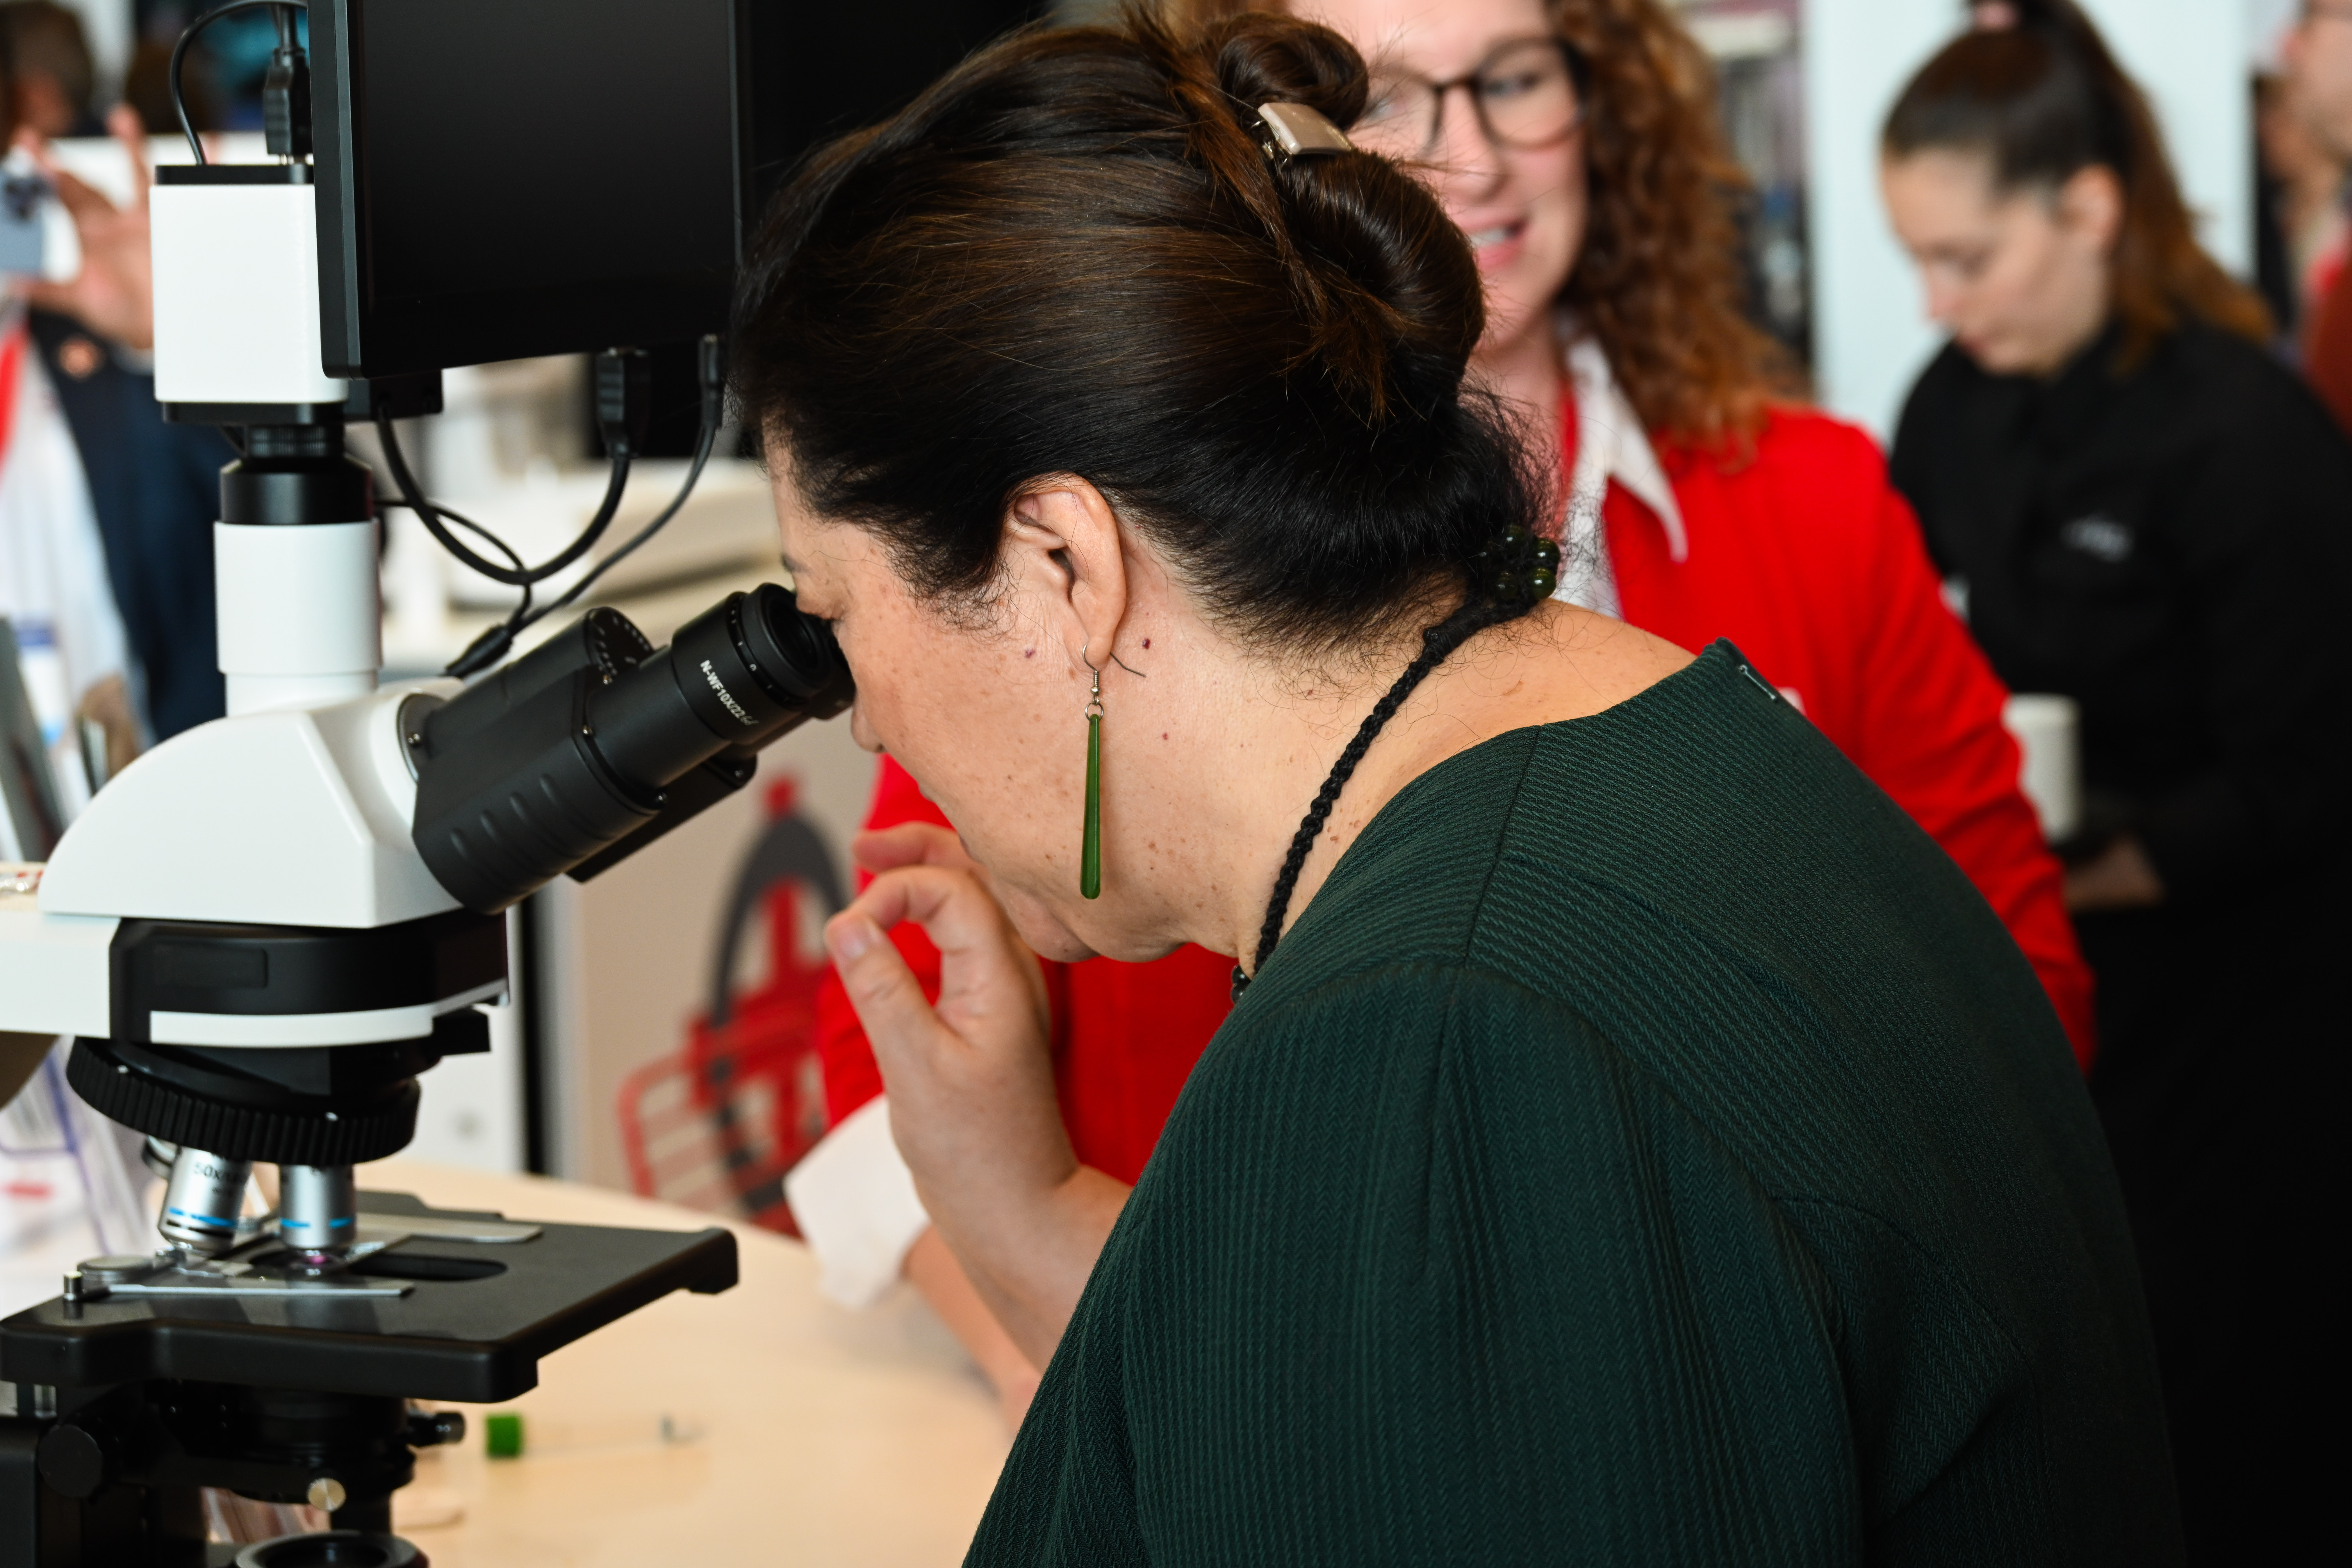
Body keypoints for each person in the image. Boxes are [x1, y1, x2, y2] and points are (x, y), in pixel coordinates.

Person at [743, 9, 2178, 1559]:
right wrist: (1019, 1203)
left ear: (1063, 562)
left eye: (837, 614)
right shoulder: (1663, 729)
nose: (867, 716)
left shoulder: (1443, 1035)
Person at [1878, 5, 2349, 1560]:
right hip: (2047, 993)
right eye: (1918, 264)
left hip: (2241, 1017)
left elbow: (2304, 778)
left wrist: (2065, 877)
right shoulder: (1951, 410)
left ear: (2087, 207)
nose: (1942, 304)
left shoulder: (2245, 434)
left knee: (2227, 1410)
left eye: (1970, 258)